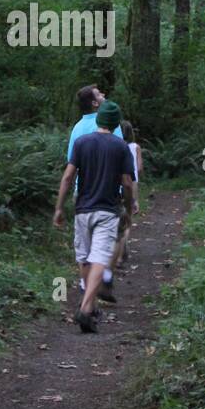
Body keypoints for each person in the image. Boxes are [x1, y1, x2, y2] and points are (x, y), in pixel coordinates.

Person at [53, 100, 135, 333]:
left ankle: (88, 310)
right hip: (108, 210)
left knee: (84, 259)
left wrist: (59, 207)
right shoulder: (120, 146)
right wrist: (128, 211)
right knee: (100, 258)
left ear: (98, 120)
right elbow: (127, 183)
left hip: (82, 209)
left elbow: (68, 177)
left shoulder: (81, 143)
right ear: (115, 122)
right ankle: (85, 306)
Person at [65, 83, 124, 303]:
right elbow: (121, 159)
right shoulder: (112, 125)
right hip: (110, 194)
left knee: (85, 248)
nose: (104, 95)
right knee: (111, 238)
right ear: (94, 103)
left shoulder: (77, 129)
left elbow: (71, 167)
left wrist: (66, 200)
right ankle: (105, 276)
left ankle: (86, 288)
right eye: (100, 94)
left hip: (83, 194)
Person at [111, 120, 142, 270]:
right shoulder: (135, 147)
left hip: (117, 184)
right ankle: (121, 253)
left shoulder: (114, 146)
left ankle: (117, 253)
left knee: (119, 219)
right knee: (127, 219)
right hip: (131, 182)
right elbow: (139, 167)